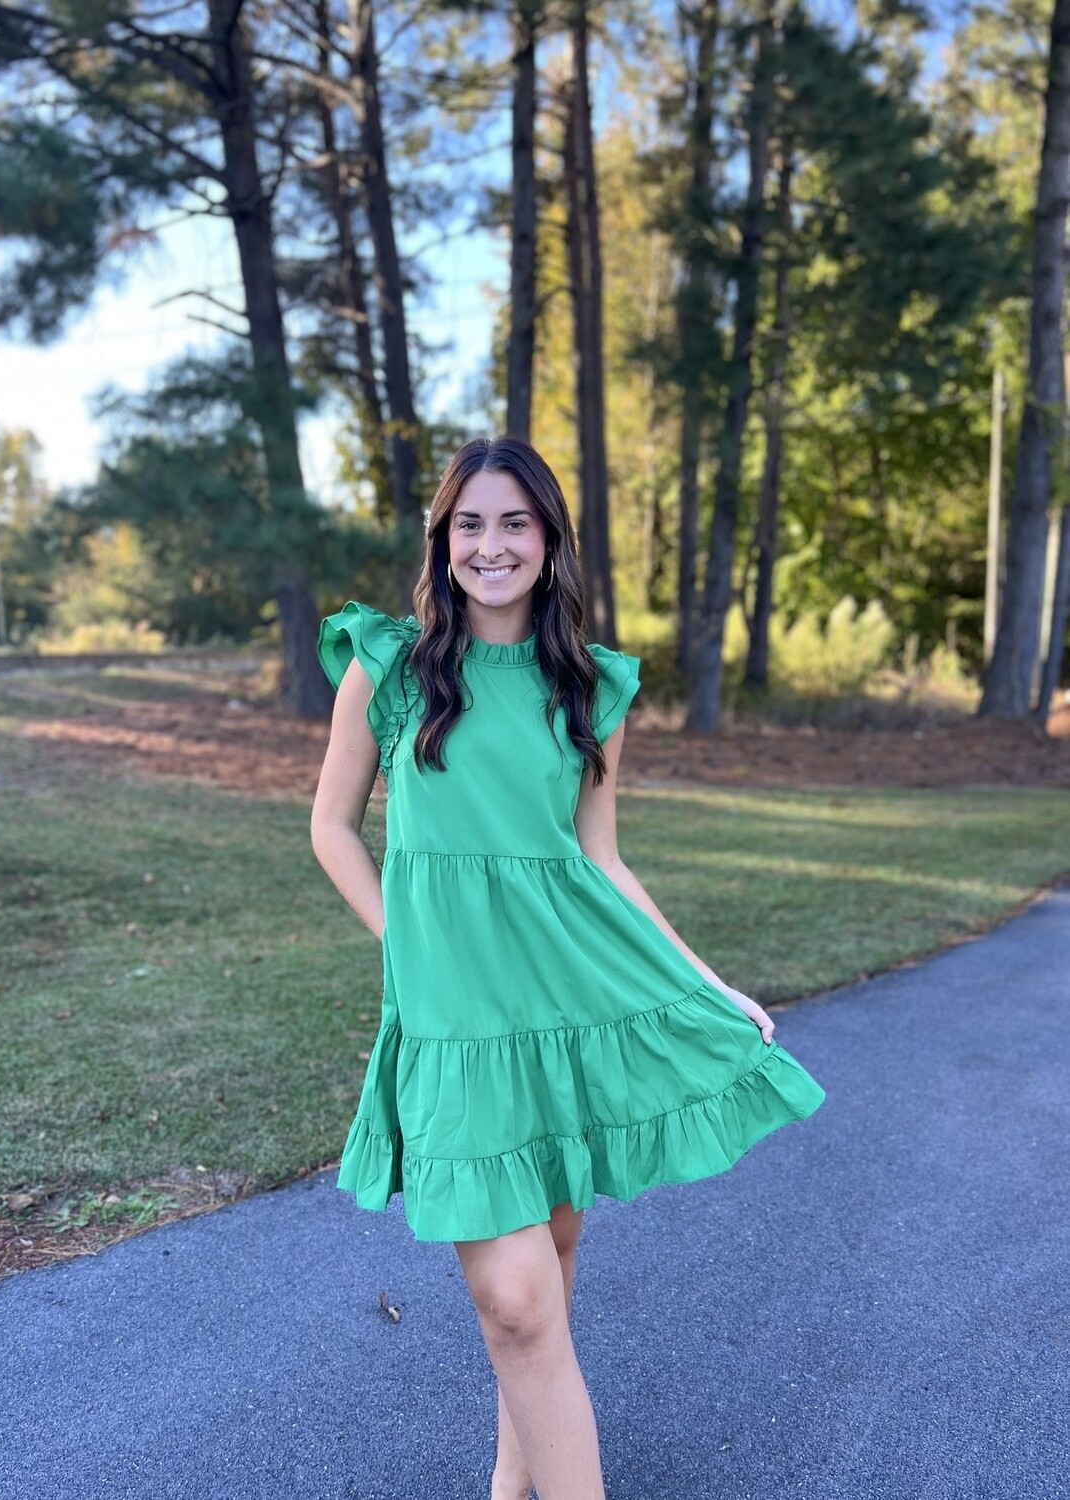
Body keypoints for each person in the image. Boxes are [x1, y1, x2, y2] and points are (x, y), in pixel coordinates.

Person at [310, 436, 825, 1500]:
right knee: (514, 1302)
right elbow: (330, 828)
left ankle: (512, 1482)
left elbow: (601, 862)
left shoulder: (587, 688)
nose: (490, 545)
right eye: (469, 524)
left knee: (546, 1264)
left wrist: (703, 981)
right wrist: (407, 943)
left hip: (566, 1002)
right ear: (443, 539)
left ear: (549, 541)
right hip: (454, 1021)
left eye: (515, 523)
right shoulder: (389, 666)